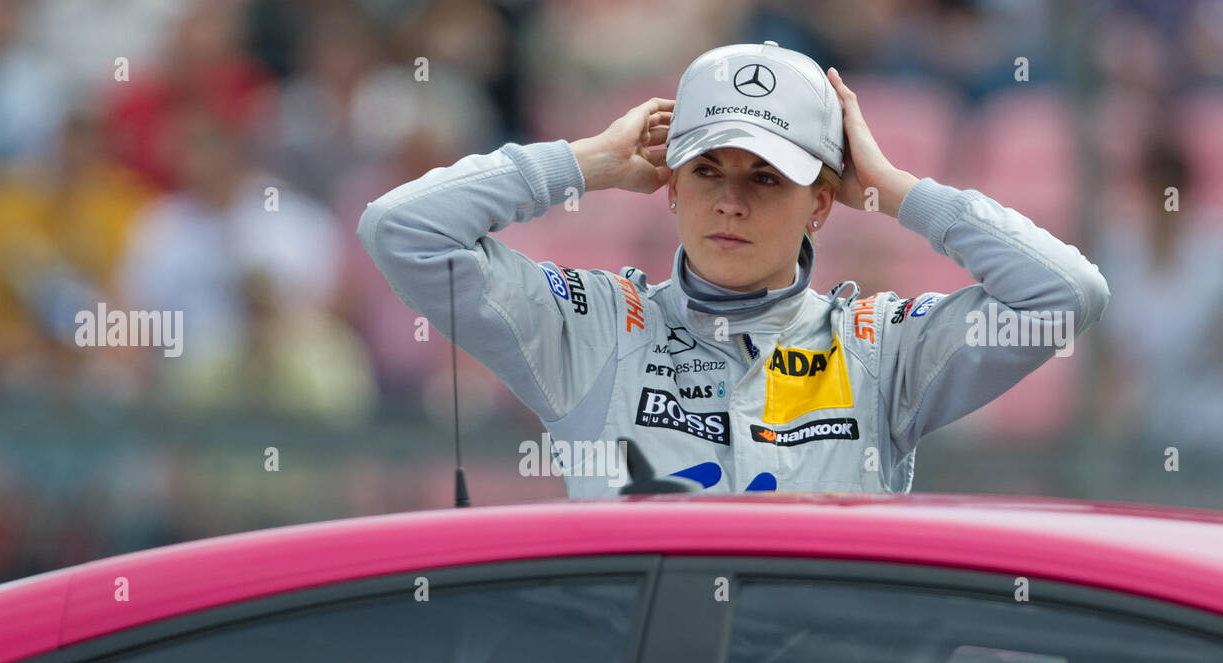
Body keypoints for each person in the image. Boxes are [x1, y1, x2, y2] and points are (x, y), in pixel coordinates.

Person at [357, 42, 1111, 497]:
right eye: (708, 171)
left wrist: (895, 190)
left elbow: (1068, 292)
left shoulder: (880, 349)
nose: (730, 203)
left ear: (822, 204)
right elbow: (401, 230)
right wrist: (586, 164)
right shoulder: (588, 328)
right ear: (672, 186)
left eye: (767, 179)